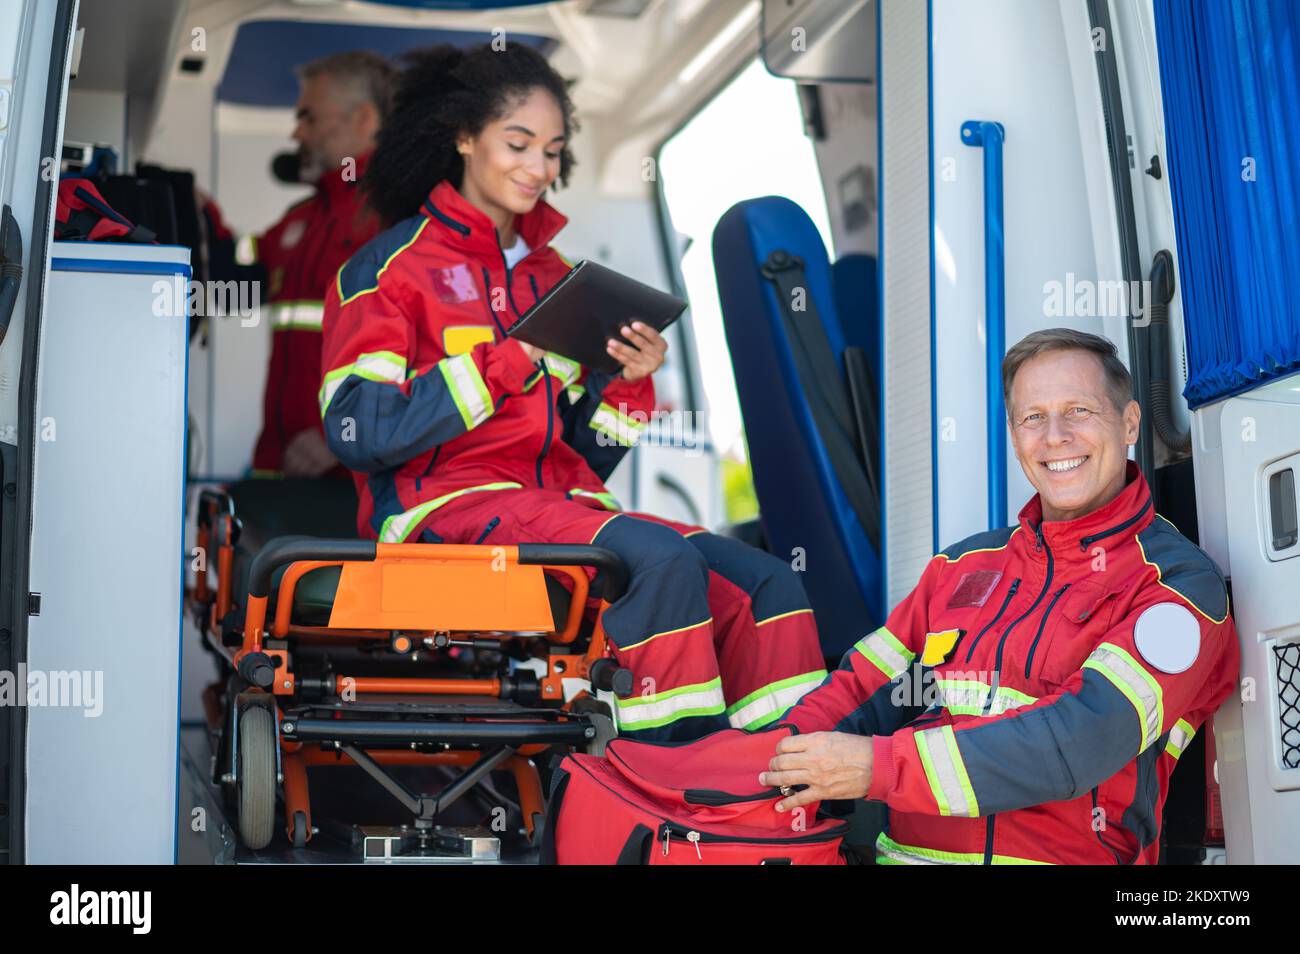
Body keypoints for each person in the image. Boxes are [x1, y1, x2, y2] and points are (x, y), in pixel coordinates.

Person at [318, 42, 827, 742]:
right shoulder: (387, 271)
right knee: (661, 561)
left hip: (562, 509)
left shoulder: (558, 277)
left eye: (554, 151)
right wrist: (509, 359)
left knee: (771, 590)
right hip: (444, 513)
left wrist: (629, 388)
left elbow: (587, 457)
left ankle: (778, 789)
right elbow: (359, 432)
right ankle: (666, 786)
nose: (540, 168)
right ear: (464, 138)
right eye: (519, 143)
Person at [766, 328, 1240, 865]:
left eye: (1079, 410)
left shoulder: (1178, 584)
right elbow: (864, 690)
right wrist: (773, 757)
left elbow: (1081, 741)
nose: (1055, 436)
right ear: (1015, 436)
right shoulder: (959, 567)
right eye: (1032, 417)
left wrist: (877, 767)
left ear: (1130, 422)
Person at [249, 51, 394, 477]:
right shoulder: (301, 220)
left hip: (350, 483)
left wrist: (348, 432)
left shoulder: (399, 223)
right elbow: (240, 274)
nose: (296, 132)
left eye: (310, 118)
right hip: (279, 470)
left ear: (364, 119)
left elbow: (427, 359)